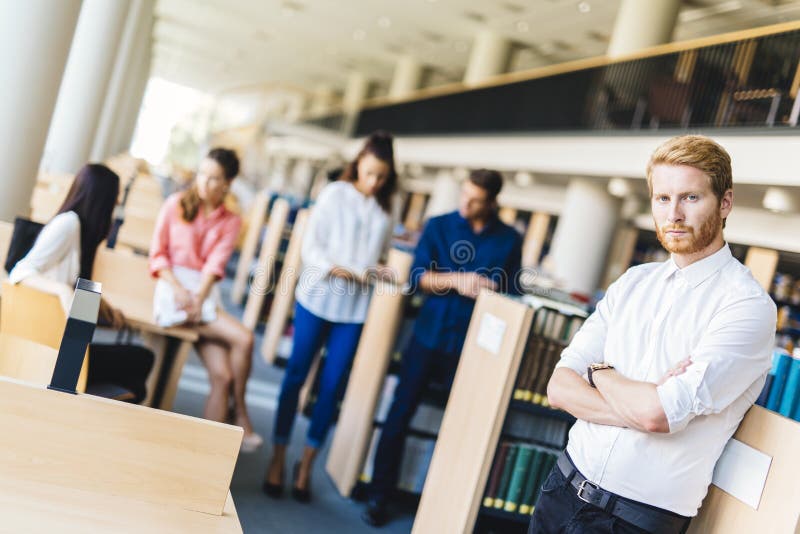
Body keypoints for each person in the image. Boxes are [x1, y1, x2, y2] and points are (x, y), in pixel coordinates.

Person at [530, 135, 776, 534]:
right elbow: (558, 388)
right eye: (662, 198)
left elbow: (656, 414)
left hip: (634, 521)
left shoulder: (746, 307)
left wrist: (599, 373)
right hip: (561, 487)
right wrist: (637, 405)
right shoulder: (633, 283)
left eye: (690, 198)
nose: (674, 214)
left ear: (725, 203)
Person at [363, 168, 523, 526]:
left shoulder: (509, 240)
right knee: (398, 416)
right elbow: (418, 278)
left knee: (464, 429)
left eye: (475, 199)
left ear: (492, 202)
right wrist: (457, 280)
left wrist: (494, 291)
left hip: (473, 350)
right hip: (427, 338)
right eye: (464, 195)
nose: (465, 203)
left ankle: (443, 508)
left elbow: (514, 295)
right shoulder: (437, 225)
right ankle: (378, 497)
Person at [262, 131, 398, 502]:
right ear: (358, 166)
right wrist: (345, 269)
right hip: (316, 299)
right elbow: (312, 248)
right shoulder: (334, 194)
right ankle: (277, 456)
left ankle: (305, 464)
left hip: (353, 312)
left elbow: (380, 257)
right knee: (295, 377)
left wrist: (378, 270)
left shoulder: (386, 209)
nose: (374, 182)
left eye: (381, 177)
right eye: (369, 173)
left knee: (332, 387)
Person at [9, 163, 152, 402]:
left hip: (60, 345)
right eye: (115, 198)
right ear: (100, 198)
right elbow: (20, 272)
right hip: (51, 349)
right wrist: (64, 292)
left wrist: (100, 302)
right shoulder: (68, 224)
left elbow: (73, 278)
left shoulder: (80, 229)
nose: (116, 206)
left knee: (138, 368)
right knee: (141, 360)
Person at [149, 147, 261, 450]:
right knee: (245, 339)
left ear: (227, 184)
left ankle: (206, 450)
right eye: (202, 175)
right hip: (172, 289)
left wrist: (198, 297)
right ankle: (241, 411)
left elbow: (215, 264)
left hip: (203, 294)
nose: (204, 183)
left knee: (223, 376)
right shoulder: (175, 204)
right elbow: (158, 255)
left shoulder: (231, 220)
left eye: (214, 179)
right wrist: (179, 289)